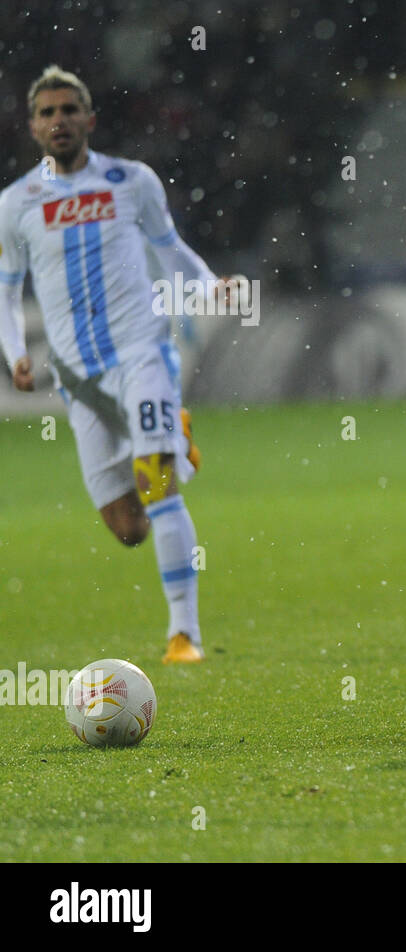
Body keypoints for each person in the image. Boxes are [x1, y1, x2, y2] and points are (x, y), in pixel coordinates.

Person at [0, 66, 234, 663]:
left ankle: (185, 635)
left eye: (69, 110)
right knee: (130, 529)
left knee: (157, 483)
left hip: (142, 354)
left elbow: (170, 249)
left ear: (90, 120)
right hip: (78, 378)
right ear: (32, 127)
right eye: (48, 113)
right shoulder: (15, 204)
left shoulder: (131, 182)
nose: (59, 121)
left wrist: (208, 285)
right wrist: (16, 354)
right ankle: (170, 436)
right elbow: (6, 291)